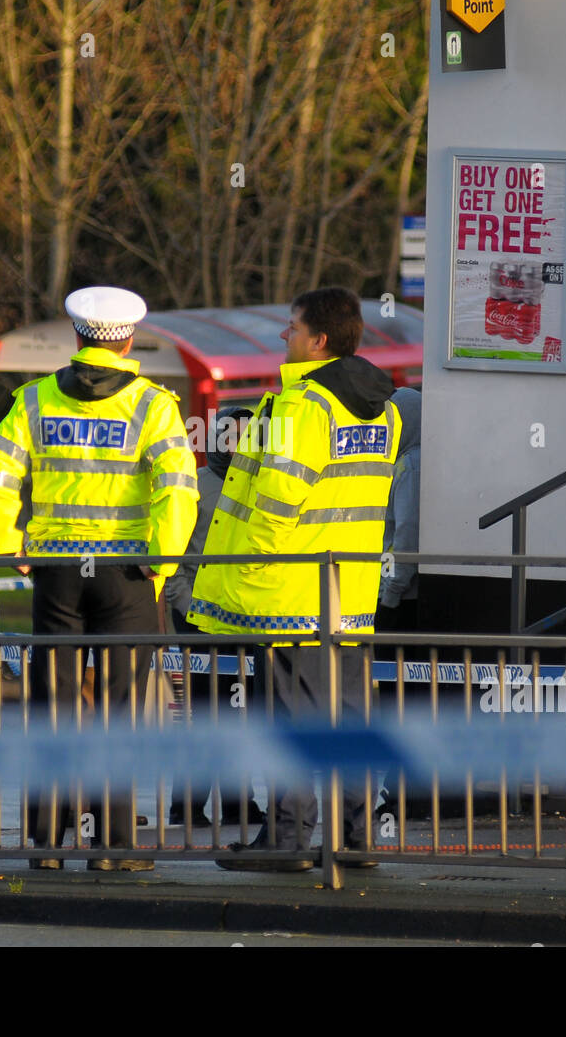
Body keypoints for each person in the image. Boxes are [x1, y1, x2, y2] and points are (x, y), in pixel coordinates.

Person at [0, 286, 198, 872]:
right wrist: (166, 559)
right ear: (128, 339)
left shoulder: (33, 399)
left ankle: (47, 845)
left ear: (78, 337)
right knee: (121, 709)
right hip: (128, 574)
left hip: (57, 572)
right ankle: (114, 848)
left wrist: (7, 545)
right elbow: (178, 489)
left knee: (54, 705)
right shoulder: (155, 405)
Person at [188, 287, 401, 871]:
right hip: (350, 592)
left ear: (318, 341)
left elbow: (280, 499)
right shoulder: (379, 407)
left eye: (292, 327)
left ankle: (285, 842)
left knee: (289, 722)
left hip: (290, 593)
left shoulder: (304, 406)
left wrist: (248, 564)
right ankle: (356, 840)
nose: (285, 335)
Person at [164, 405, 264, 828]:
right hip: (200, 621)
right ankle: (187, 805)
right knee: (207, 715)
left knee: (237, 714)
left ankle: (237, 802)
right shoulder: (197, 489)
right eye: (231, 436)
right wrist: (193, 613)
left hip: (243, 618)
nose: (238, 444)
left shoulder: (259, 487)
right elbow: (177, 564)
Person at [374, 386, 422, 820]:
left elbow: (404, 534)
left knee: (394, 697)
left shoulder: (410, 464)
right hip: (410, 595)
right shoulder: (419, 459)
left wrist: (388, 593)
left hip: (401, 599)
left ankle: (399, 791)